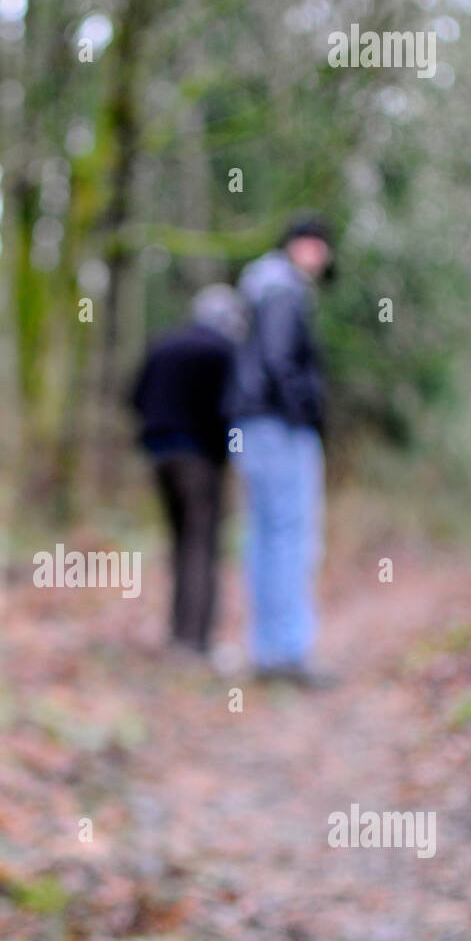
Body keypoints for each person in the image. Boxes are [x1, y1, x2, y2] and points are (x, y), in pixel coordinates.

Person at [226, 214, 335, 687]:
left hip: (252, 426)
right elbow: (278, 360)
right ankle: (287, 651)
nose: (316, 253)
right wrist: (304, 413)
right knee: (291, 537)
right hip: (278, 427)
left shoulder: (257, 286)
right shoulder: (284, 291)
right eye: (309, 242)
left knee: (267, 536)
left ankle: (268, 650)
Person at [132, 286, 243, 654]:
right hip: (198, 459)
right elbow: (231, 410)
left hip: (159, 456)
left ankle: (177, 633)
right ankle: (195, 643)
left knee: (180, 544)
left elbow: (133, 396)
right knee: (202, 546)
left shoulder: (163, 345)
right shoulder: (224, 352)